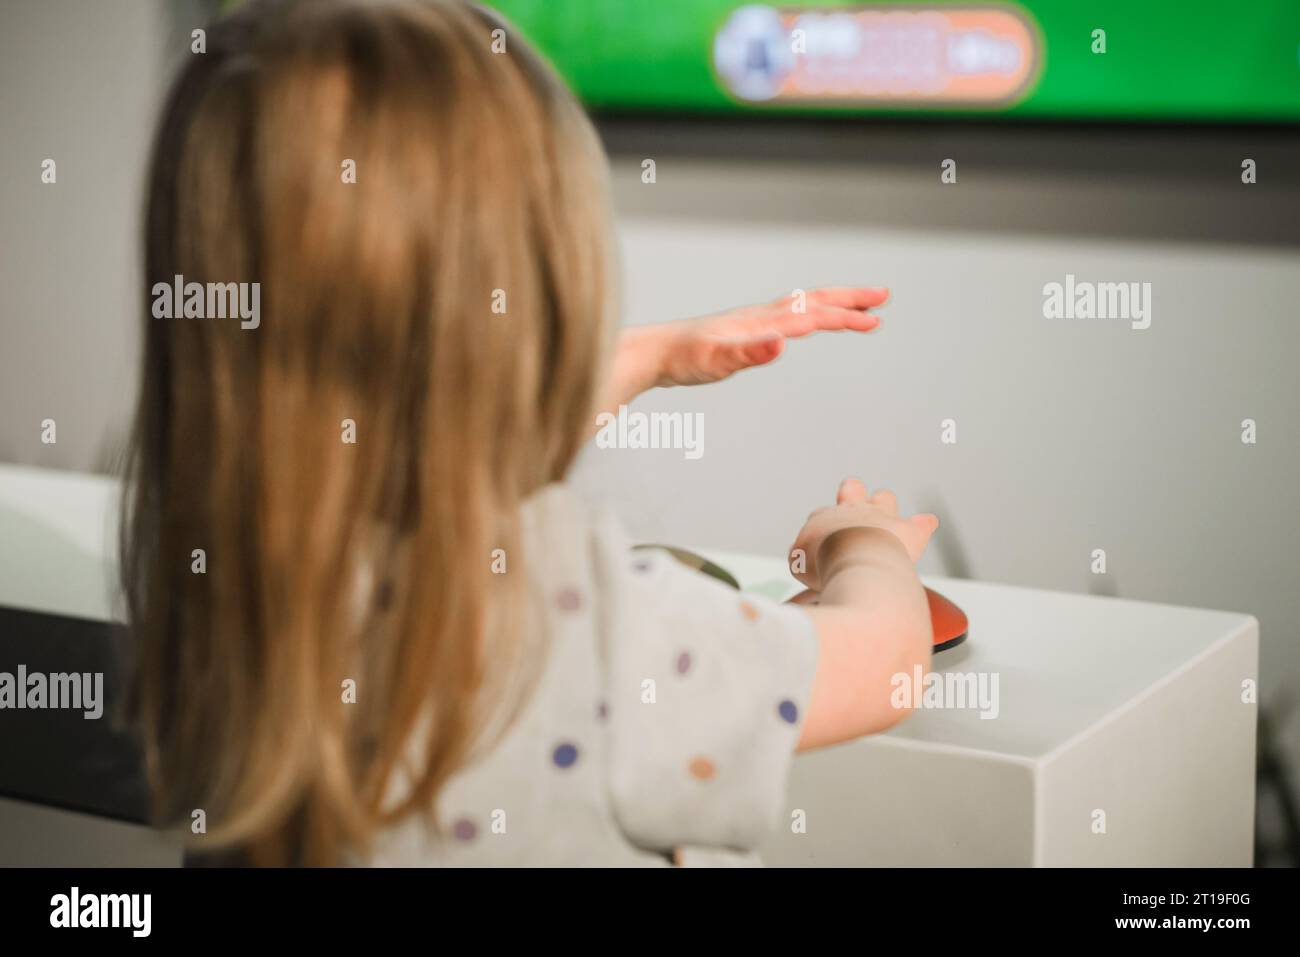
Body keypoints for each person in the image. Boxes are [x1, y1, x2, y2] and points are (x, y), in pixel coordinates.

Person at [121, 0, 936, 866]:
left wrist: (652, 356)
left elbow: (420, 431)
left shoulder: (215, 587)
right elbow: (885, 665)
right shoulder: (596, 631)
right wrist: (864, 545)